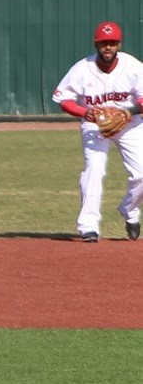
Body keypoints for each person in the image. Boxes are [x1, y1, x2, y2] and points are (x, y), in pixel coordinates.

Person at [53, 21, 143, 242]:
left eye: (112, 43)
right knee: (94, 169)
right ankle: (88, 226)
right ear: (96, 44)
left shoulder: (132, 66)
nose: (108, 47)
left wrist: (129, 110)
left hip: (129, 122)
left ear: (119, 44)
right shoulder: (82, 68)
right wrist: (85, 113)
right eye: (103, 43)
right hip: (94, 124)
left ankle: (129, 210)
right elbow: (62, 99)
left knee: (142, 174)